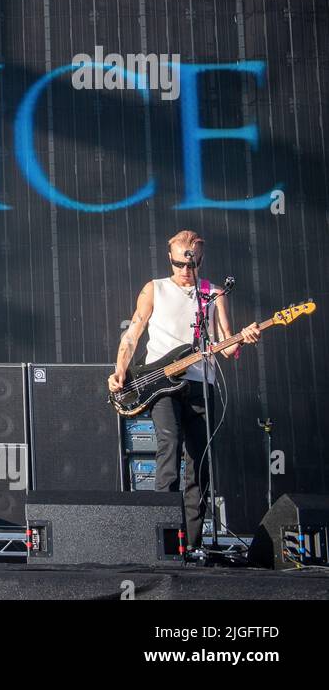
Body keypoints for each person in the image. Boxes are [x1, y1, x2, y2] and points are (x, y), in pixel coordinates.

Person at [108, 230, 260, 548]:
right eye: (178, 264)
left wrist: (242, 339)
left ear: (200, 261)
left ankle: (191, 543)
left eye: (190, 265)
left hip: (200, 382)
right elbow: (133, 333)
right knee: (169, 447)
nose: (184, 271)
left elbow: (227, 345)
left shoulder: (214, 293)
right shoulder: (155, 289)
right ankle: (160, 540)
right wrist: (120, 370)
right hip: (162, 383)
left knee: (199, 464)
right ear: (170, 258)